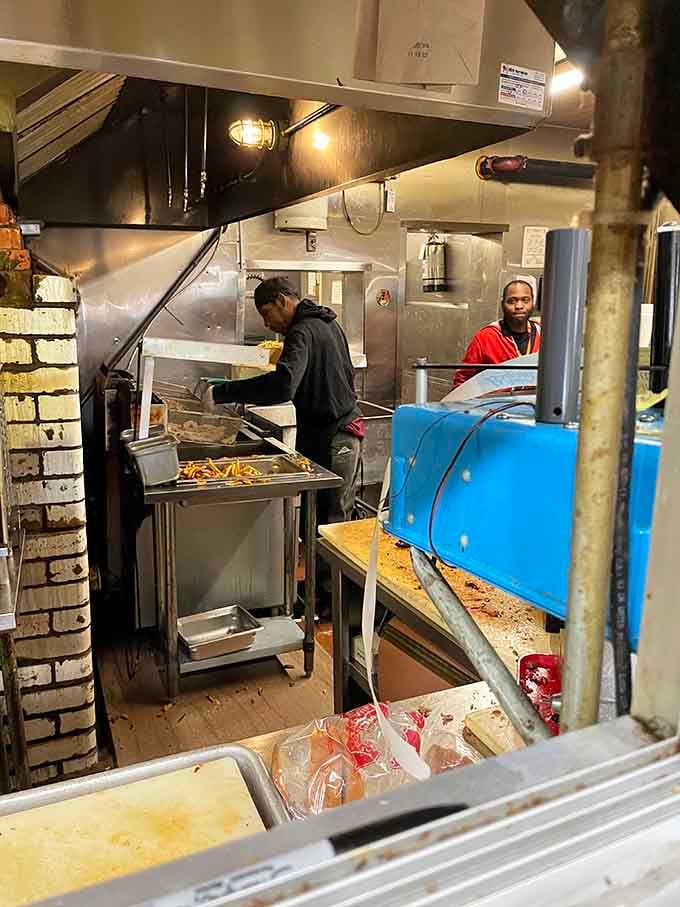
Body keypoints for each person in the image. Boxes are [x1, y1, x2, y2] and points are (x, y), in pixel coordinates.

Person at [203, 276, 364, 525]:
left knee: (329, 522)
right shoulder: (327, 323)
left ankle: (326, 566)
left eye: (267, 314)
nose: (267, 324)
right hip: (332, 431)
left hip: (335, 436)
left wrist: (222, 392)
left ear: (282, 301)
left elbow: (283, 386)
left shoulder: (302, 331)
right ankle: (315, 563)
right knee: (321, 517)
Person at [452, 279, 541, 389]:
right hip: (496, 404)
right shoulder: (486, 337)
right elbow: (462, 381)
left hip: (534, 404)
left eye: (525, 300)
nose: (519, 306)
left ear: (533, 302)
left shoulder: (543, 335)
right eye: (511, 301)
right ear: (503, 304)